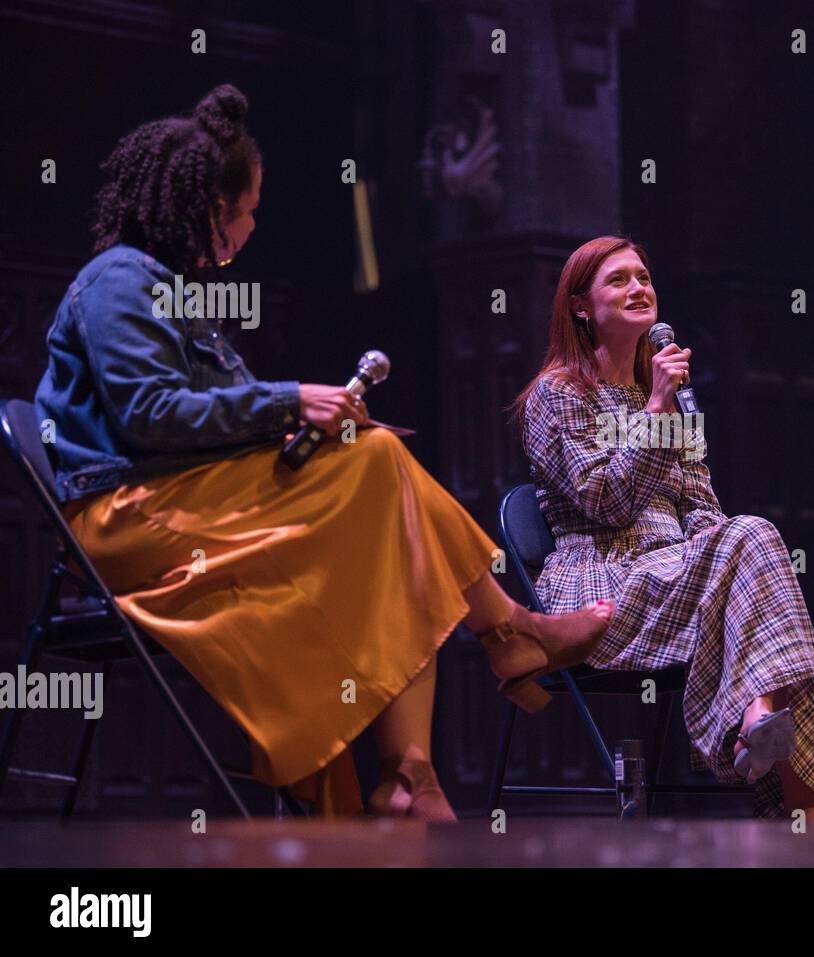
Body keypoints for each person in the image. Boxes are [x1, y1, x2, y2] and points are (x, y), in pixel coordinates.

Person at [34, 85, 612, 821]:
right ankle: (505, 638)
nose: (252, 224)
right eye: (247, 208)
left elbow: (204, 422)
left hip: (186, 497)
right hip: (128, 517)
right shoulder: (120, 280)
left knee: (391, 526)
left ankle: (412, 774)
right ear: (213, 205)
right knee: (377, 467)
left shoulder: (165, 287)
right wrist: (288, 402)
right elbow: (150, 417)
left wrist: (304, 425)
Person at [513, 236, 814, 822]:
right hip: (598, 585)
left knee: (750, 540)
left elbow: (701, 505)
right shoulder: (556, 396)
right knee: (755, 545)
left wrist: (716, 547)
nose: (639, 288)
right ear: (581, 306)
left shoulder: (662, 396)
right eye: (619, 280)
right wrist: (659, 409)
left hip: (676, 575)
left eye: (644, 276)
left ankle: (760, 720)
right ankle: (802, 802)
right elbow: (604, 501)